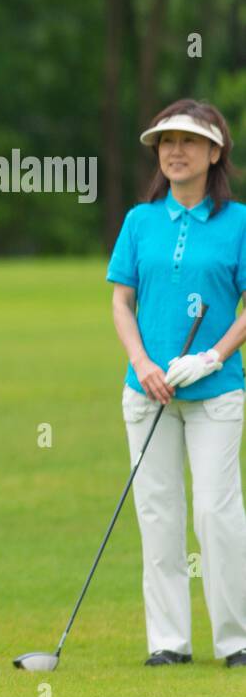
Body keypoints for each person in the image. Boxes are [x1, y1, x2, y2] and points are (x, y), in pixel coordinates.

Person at [107, 98, 246, 667]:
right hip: (147, 394)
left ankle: (236, 639)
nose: (175, 151)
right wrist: (142, 364)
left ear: (215, 152)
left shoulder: (239, 222)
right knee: (158, 513)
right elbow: (121, 300)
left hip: (216, 392)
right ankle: (168, 641)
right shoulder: (140, 222)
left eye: (188, 141)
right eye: (166, 142)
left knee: (216, 511)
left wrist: (213, 356)